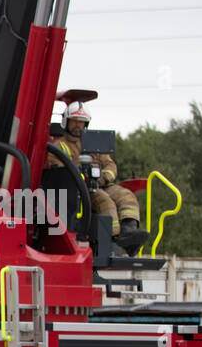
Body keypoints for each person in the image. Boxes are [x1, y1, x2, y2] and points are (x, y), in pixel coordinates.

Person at [49, 101, 149, 254]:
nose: (78, 125)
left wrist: (103, 178)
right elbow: (58, 169)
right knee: (105, 201)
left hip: (102, 184)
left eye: (81, 122)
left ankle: (130, 231)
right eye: (74, 120)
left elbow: (110, 165)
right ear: (66, 121)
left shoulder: (93, 142)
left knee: (126, 195)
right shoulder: (58, 146)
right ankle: (117, 238)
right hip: (79, 190)